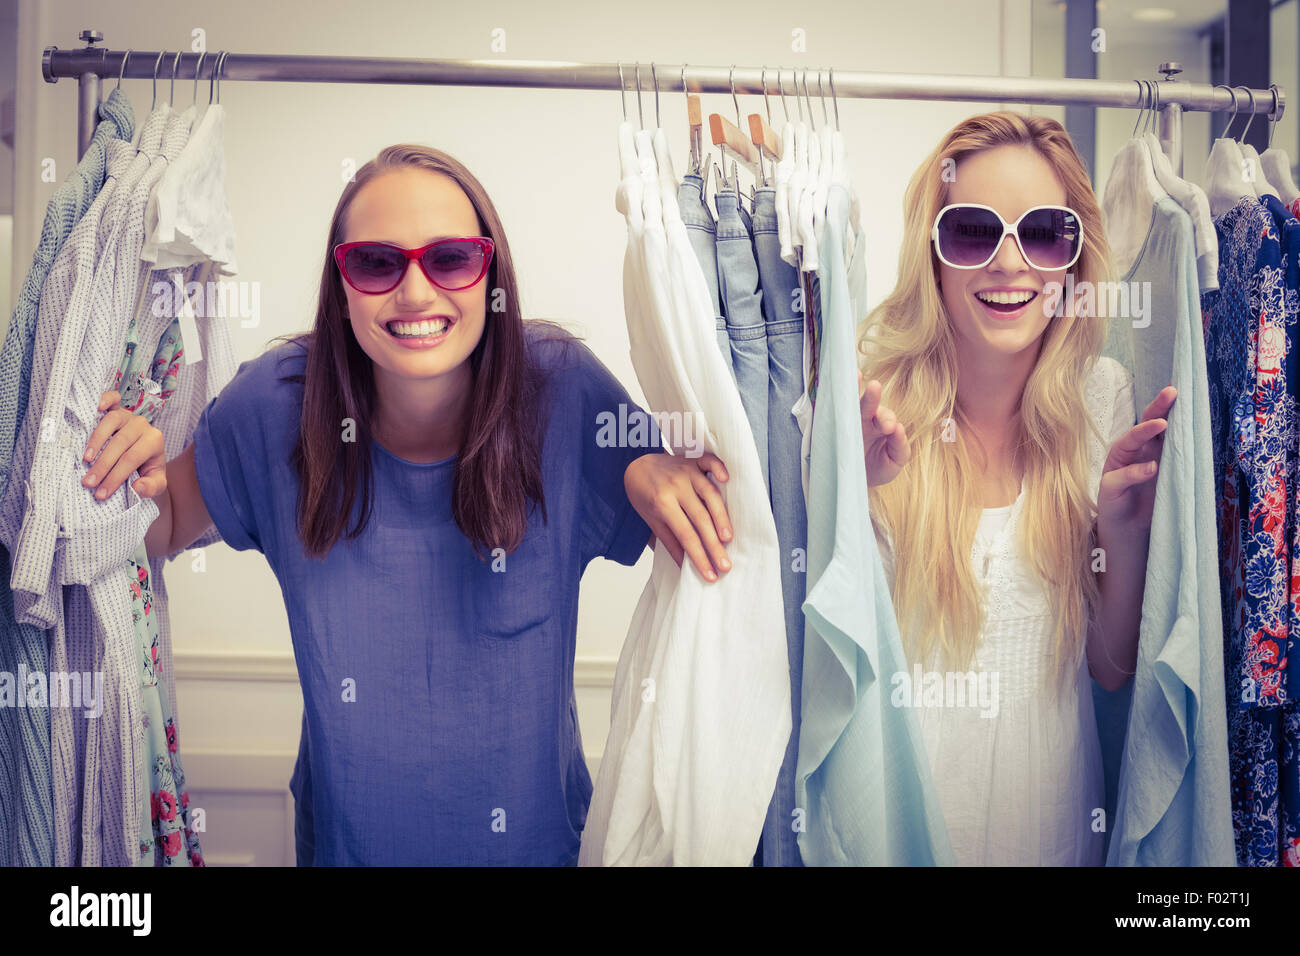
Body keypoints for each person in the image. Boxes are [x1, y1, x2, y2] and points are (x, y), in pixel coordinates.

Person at [80, 143, 733, 866]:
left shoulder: (562, 390)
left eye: (450, 258)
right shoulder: (274, 406)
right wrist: (134, 468)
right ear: (343, 284)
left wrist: (661, 470)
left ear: (491, 273)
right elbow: (162, 524)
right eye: (378, 263)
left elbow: (726, 526)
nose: (417, 293)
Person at [857, 111, 1174, 865]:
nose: (1009, 264)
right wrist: (851, 500)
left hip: (1051, 827)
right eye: (972, 232)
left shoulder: (1102, 401)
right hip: (897, 829)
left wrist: (1122, 539)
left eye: (1042, 233)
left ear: (1072, 260)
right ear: (932, 255)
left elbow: (1107, 667)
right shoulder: (860, 409)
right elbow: (827, 666)